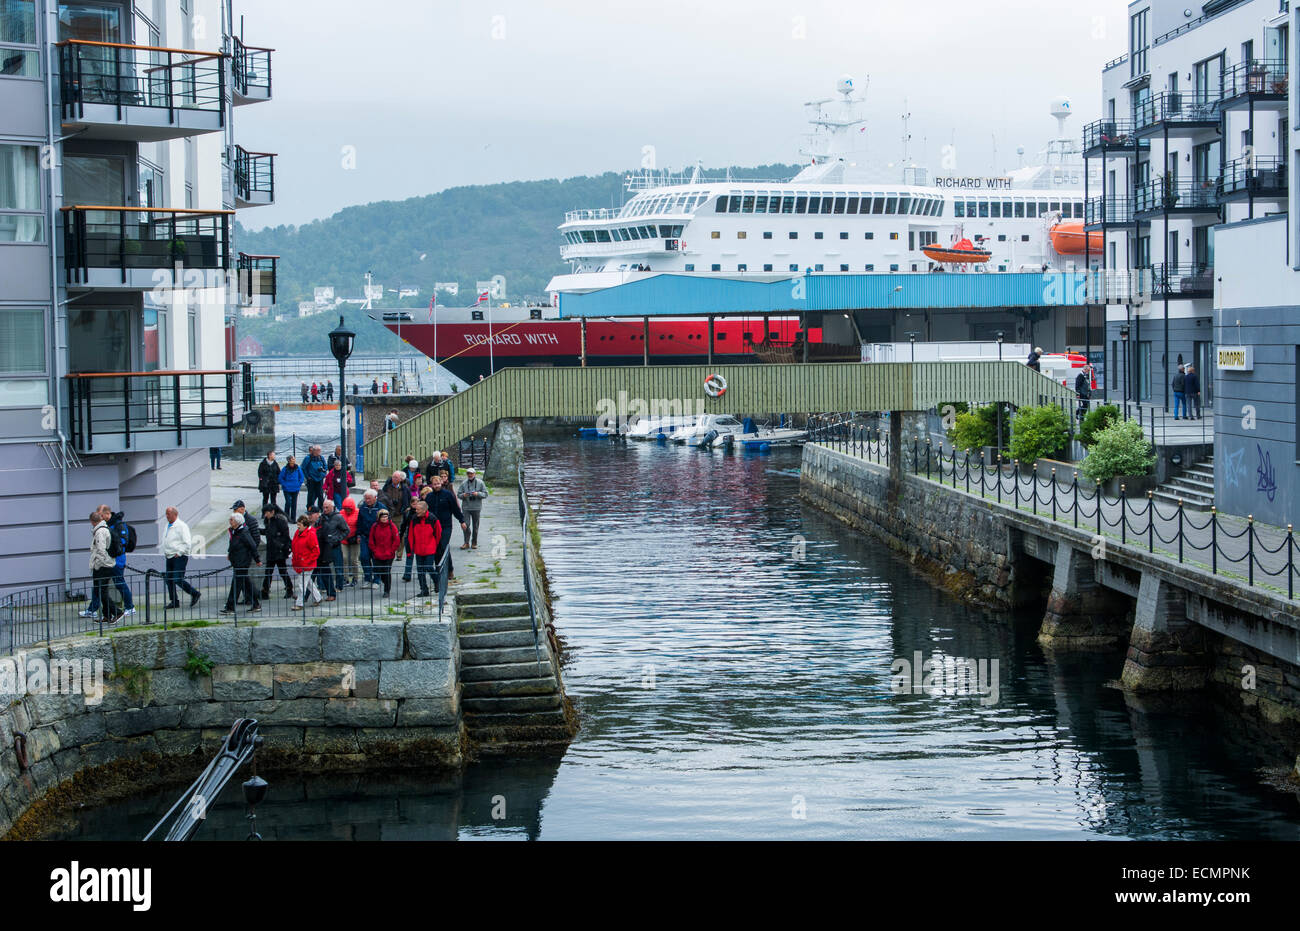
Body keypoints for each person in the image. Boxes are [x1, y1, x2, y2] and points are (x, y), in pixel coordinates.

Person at [82, 504, 136, 619]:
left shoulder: (116, 525)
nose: (100, 518)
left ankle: (128, 607)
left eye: (101, 515)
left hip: (113, 561)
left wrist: (104, 561)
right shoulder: (108, 525)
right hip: (109, 561)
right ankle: (97, 610)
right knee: (101, 588)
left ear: (107, 514)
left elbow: (111, 546)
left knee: (117, 584)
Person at [426, 474, 467, 587]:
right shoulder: (429, 497)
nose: (437, 486)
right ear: (432, 485)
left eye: (438, 484)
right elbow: (424, 510)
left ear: (441, 483)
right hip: (433, 526)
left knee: (443, 547)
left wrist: (461, 521)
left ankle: (449, 569)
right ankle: (439, 569)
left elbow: (455, 509)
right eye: (434, 484)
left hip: (446, 525)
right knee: (436, 548)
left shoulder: (448, 495)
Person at [220, 512, 261, 614]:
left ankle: (230, 607)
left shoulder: (244, 533)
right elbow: (232, 544)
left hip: (242, 562)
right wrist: (230, 553)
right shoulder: (235, 531)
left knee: (236, 585)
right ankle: (256, 604)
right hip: (237, 562)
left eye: (231, 520)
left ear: (237, 522)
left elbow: (252, 546)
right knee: (246, 584)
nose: (230, 521)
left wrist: (257, 559)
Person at [162, 506, 201, 609]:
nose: (166, 516)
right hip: (169, 556)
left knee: (177, 579)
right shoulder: (167, 525)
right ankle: (174, 601)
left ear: (175, 514)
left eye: (168, 514)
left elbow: (187, 543)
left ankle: (194, 593)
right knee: (169, 579)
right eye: (166, 514)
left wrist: (179, 553)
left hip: (179, 556)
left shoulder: (182, 526)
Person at [88, 511, 121, 625]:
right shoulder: (103, 528)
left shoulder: (100, 531)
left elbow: (101, 550)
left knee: (101, 591)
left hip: (103, 566)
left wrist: (99, 563)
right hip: (106, 564)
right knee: (101, 590)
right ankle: (107, 615)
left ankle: (117, 612)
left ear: (92, 521)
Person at [405, 500, 442, 598]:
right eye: (416, 509)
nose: (416, 511)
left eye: (418, 509)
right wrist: (410, 550)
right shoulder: (414, 519)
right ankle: (424, 590)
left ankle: (437, 581)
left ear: (425, 510)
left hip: (430, 548)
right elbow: (410, 535)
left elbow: (438, 534)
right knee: (420, 571)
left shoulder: (433, 519)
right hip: (418, 549)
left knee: (429, 567)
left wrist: (436, 546)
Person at [260, 504, 294, 600]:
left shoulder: (280, 521)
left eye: (266, 513)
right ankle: (265, 590)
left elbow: (285, 535)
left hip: (279, 550)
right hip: (272, 549)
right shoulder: (269, 521)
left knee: (282, 571)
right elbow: (267, 532)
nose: (265, 515)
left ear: (272, 512)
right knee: (269, 571)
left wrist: (283, 546)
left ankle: (289, 588)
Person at [290, 515, 324, 610]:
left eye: (299, 525)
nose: (298, 527)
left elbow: (316, 551)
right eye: (297, 525)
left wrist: (306, 560)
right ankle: (318, 598)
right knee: (308, 582)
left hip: (306, 564)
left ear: (305, 525)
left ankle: (299, 603)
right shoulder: (299, 532)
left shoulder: (311, 535)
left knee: (302, 584)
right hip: (301, 562)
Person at [317, 500, 348, 599]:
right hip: (325, 546)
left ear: (332, 507)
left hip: (335, 545)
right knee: (323, 567)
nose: (325, 509)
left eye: (327, 507)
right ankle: (323, 586)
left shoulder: (338, 517)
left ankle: (339, 586)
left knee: (338, 567)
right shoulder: (322, 517)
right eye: (324, 507)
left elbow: (346, 530)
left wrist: (337, 539)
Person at [368, 508, 401, 598]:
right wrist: (374, 550)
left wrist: (391, 550)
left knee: (387, 572)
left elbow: (396, 540)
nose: (384, 518)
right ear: (379, 517)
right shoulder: (375, 526)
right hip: (378, 554)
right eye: (382, 517)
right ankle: (385, 583)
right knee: (379, 571)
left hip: (388, 554)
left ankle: (387, 590)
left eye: (386, 517)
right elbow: (371, 540)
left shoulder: (392, 526)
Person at [457, 467, 488, 549]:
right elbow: (458, 495)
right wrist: (463, 495)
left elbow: (485, 494)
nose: (470, 475)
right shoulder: (463, 483)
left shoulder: (480, 483)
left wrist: (477, 494)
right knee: (465, 525)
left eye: (471, 473)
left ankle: (474, 542)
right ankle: (466, 542)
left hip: (476, 507)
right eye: (468, 473)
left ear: (475, 474)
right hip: (466, 507)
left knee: (476, 526)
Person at [357, 489, 383, 587]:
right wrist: (358, 535)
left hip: (376, 538)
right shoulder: (362, 507)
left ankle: (377, 579)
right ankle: (367, 578)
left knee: (375, 558)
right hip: (365, 537)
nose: (367, 500)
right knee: (364, 557)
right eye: (365, 498)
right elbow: (359, 522)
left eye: (369, 498)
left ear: (375, 498)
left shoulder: (381, 508)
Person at [339, 495, 361, 586]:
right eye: (346, 508)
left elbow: (360, 525)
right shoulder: (341, 513)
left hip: (355, 539)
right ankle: (345, 578)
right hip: (344, 539)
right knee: (344, 558)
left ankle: (355, 578)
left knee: (354, 559)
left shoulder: (358, 513)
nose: (347, 510)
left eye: (349, 508)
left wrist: (358, 536)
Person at [278, 455, 305, 521]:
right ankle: (286, 517)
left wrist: (298, 484)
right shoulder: (285, 469)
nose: (294, 460)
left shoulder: (298, 468)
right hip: (287, 488)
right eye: (292, 459)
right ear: (289, 461)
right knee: (288, 502)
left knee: (294, 503)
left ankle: (293, 518)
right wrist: (285, 484)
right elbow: (280, 478)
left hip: (295, 488)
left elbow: (301, 477)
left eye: (294, 459)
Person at [303, 445, 328, 511]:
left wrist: (323, 473)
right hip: (311, 479)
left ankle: (321, 508)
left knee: (320, 494)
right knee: (311, 494)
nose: (319, 452)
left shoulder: (321, 458)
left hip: (319, 479)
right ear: (314, 451)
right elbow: (303, 468)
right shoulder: (308, 458)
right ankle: (310, 507)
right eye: (318, 450)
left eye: (320, 450)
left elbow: (325, 467)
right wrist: (308, 477)